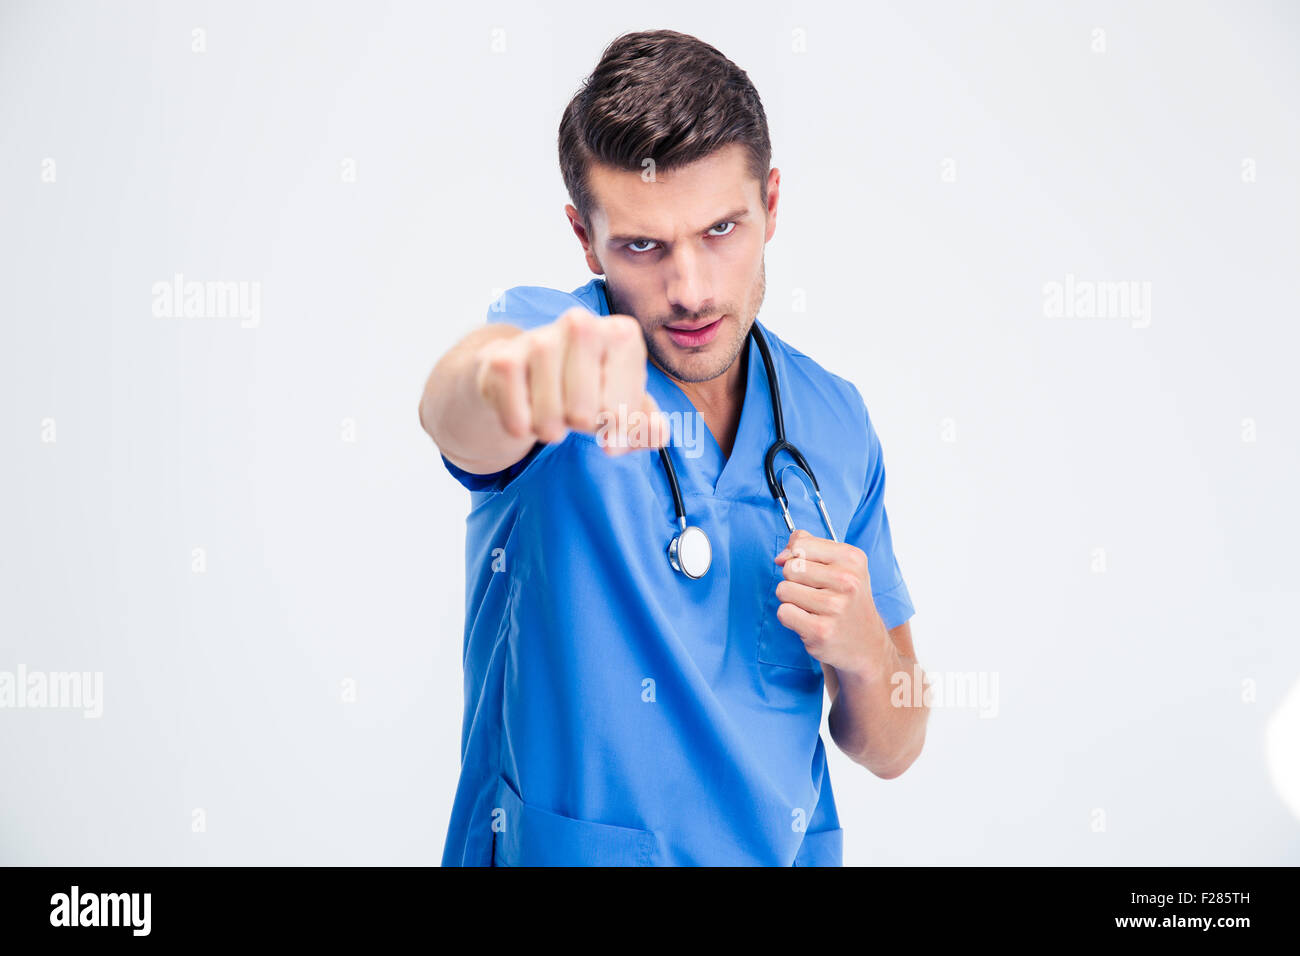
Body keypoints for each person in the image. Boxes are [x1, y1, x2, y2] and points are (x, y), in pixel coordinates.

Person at [419, 29, 929, 866]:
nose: (690, 289)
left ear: (771, 204)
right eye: (643, 246)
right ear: (586, 239)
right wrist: (530, 376)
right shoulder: (556, 339)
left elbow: (895, 745)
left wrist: (867, 651)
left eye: (722, 228)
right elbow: (457, 409)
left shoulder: (834, 421)